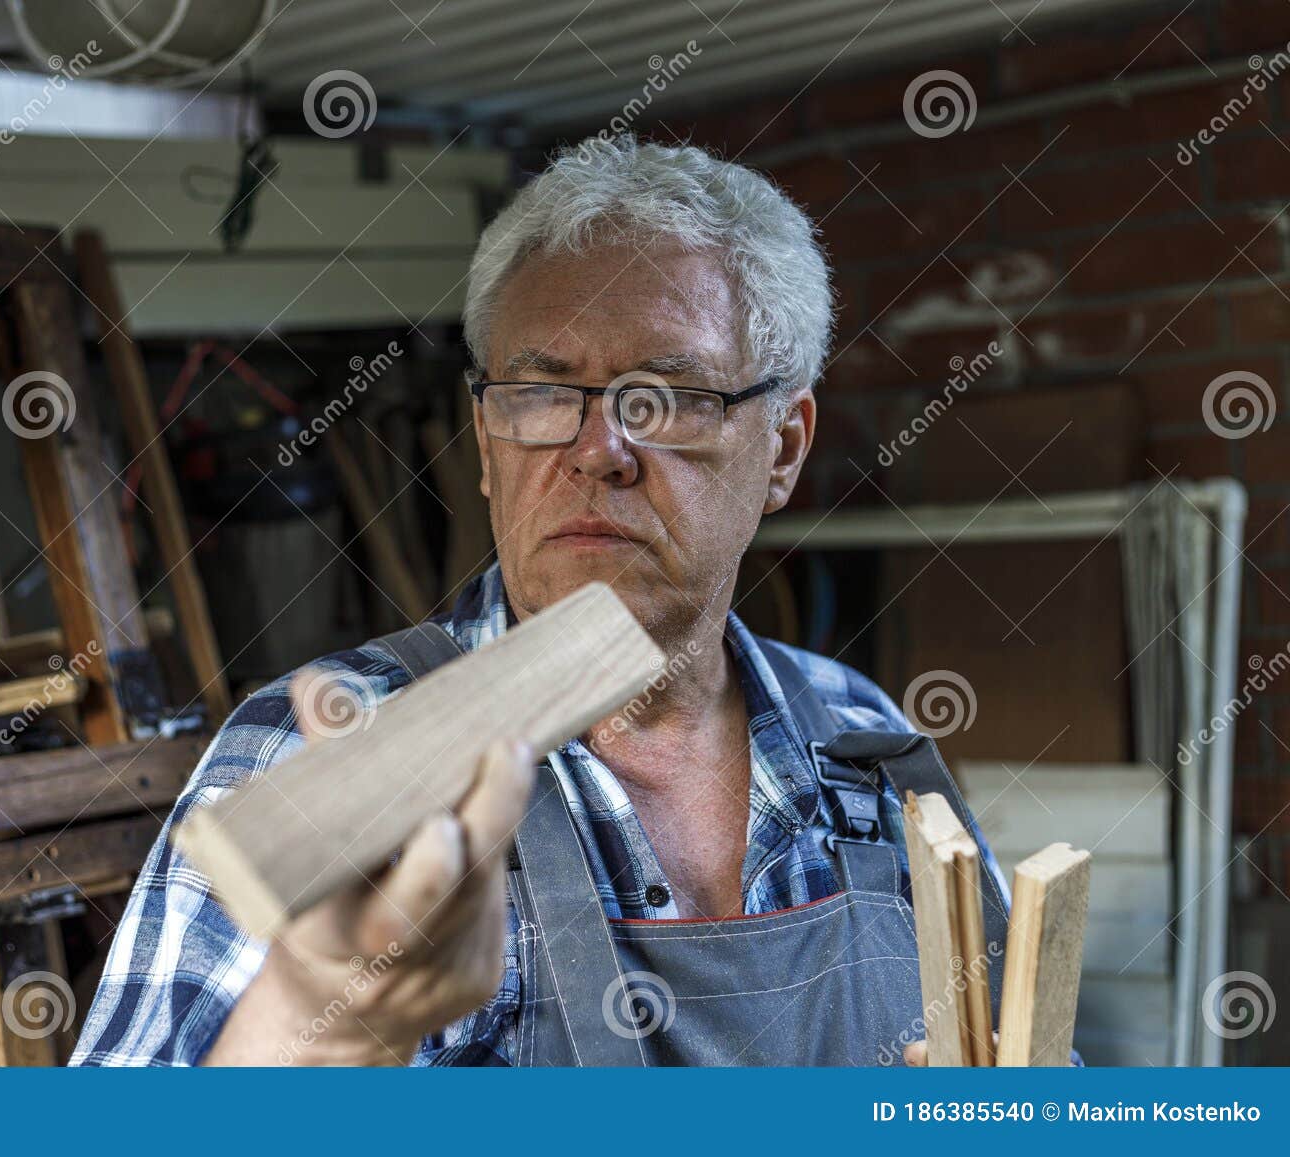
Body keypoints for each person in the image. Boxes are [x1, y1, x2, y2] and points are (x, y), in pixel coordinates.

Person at [72, 133, 1011, 1067]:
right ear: (486, 441)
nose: (598, 447)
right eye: (541, 392)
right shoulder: (330, 755)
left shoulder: (863, 742)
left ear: (785, 447)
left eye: (668, 396)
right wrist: (316, 1026)